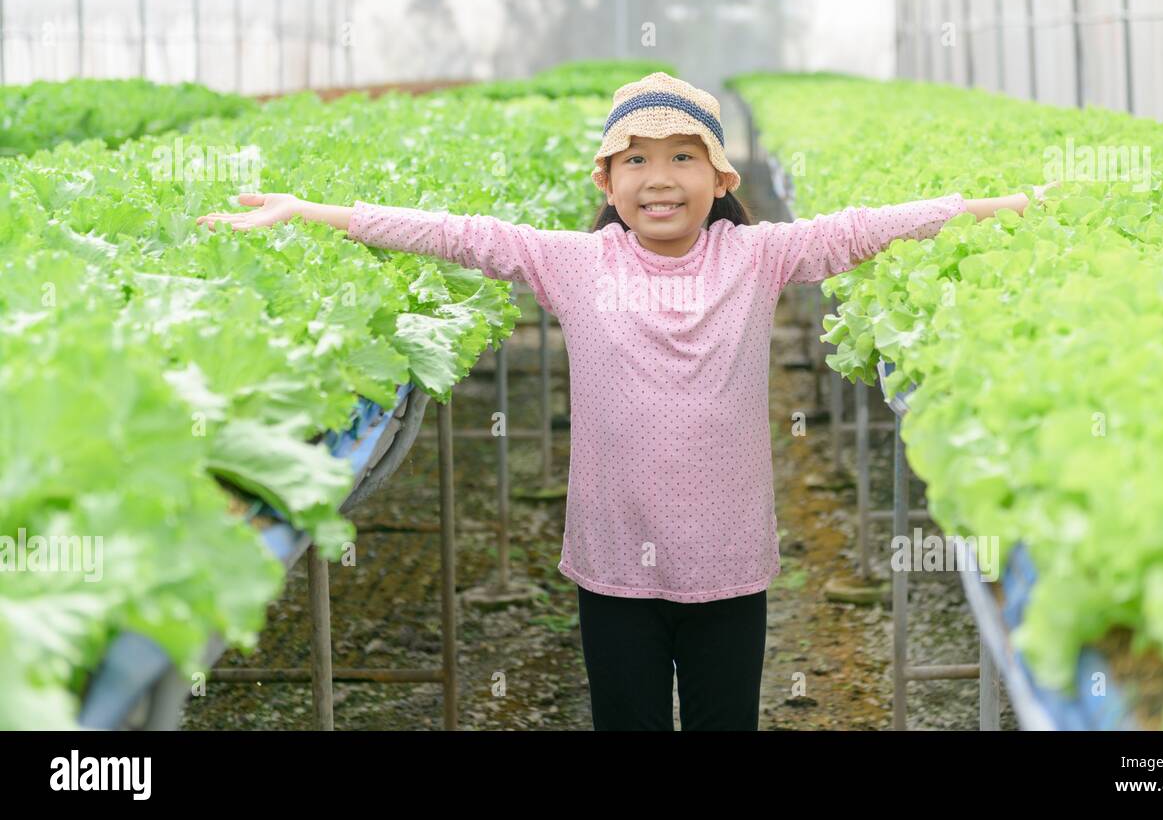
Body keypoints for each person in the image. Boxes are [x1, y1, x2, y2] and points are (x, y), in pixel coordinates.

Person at [196, 71, 1055, 730]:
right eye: (635, 160)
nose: (659, 177)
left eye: (683, 156)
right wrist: (311, 210)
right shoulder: (574, 263)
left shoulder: (754, 259)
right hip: (614, 560)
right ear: (607, 183)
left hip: (727, 561)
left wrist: (1001, 207)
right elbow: (462, 234)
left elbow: (868, 226)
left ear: (720, 177)